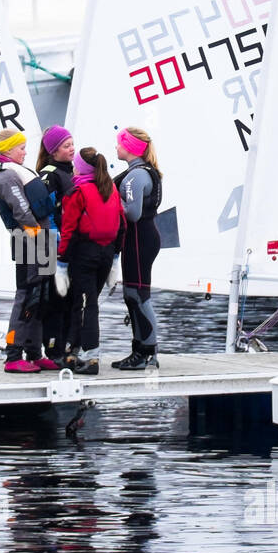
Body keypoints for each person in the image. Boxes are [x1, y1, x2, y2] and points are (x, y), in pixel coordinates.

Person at [0, 131, 60, 373]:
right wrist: (40, 239)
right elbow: (21, 212)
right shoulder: (5, 176)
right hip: (28, 240)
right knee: (26, 297)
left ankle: (34, 353)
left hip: (41, 239)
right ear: (7, 150)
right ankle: (13, 355)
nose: (26, 152)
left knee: (41, 298)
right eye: (21, 148)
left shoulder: (15, 170)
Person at [56, 148, 124, 375]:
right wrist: (115, 258)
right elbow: (121, 224)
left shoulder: (77, 192)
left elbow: (68, 229)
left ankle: (91, 357)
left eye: (76, 165)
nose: (73, 168)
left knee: (87, 305)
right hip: (105, 254)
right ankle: (72, 351)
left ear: (82, 168)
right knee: (82, 303)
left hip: (84, 254)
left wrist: (61, 264)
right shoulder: (110, 188)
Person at [112, 126, 163, 370]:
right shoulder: (140, 172)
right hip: (140, 238)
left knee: (138, 297)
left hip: (139, 239)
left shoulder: (136, 176)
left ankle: (145, 351)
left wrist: (112, 200)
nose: (116, 148)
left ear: (130, 148)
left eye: (120, 144)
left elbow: (132, 213)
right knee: (132, 296)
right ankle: (141, 348)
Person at [35, 125, 76, 361]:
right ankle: (52, 349)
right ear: (53, 151)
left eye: (72, 144)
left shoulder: (70, 171)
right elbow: (46, 212)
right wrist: (56, 238)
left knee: (69, 298)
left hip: (70, 245)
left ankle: (65, 348)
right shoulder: (49, 174)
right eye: (66, 145)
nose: (72, 149)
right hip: (54, 246)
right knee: (55, 299)